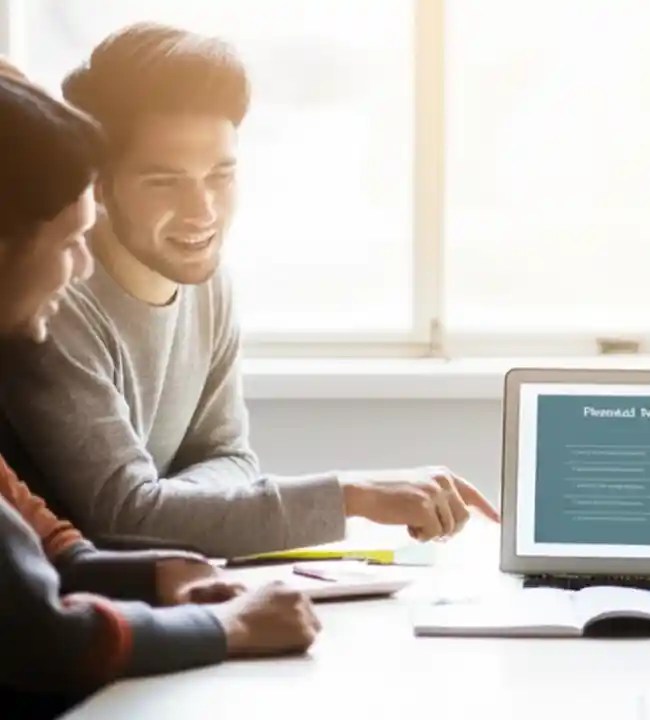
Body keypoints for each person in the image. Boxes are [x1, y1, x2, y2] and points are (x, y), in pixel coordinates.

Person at [0, 24, 499, 560]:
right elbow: (121, 516)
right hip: (74, 600)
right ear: (101, 184)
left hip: (154, 585)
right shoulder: (47, 298)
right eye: (164, 181)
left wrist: (171, 507)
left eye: (220, 175)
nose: (202, 212)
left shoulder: (207, 279)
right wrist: (349, 496)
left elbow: (231, 459)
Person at [0, 65, 319, 720]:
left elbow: (45, 541)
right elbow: (41, 637)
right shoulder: (63, 326)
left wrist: (155, 572)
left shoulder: (212, 287)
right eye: (67, 243)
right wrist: (231, 628)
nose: (82, 265)